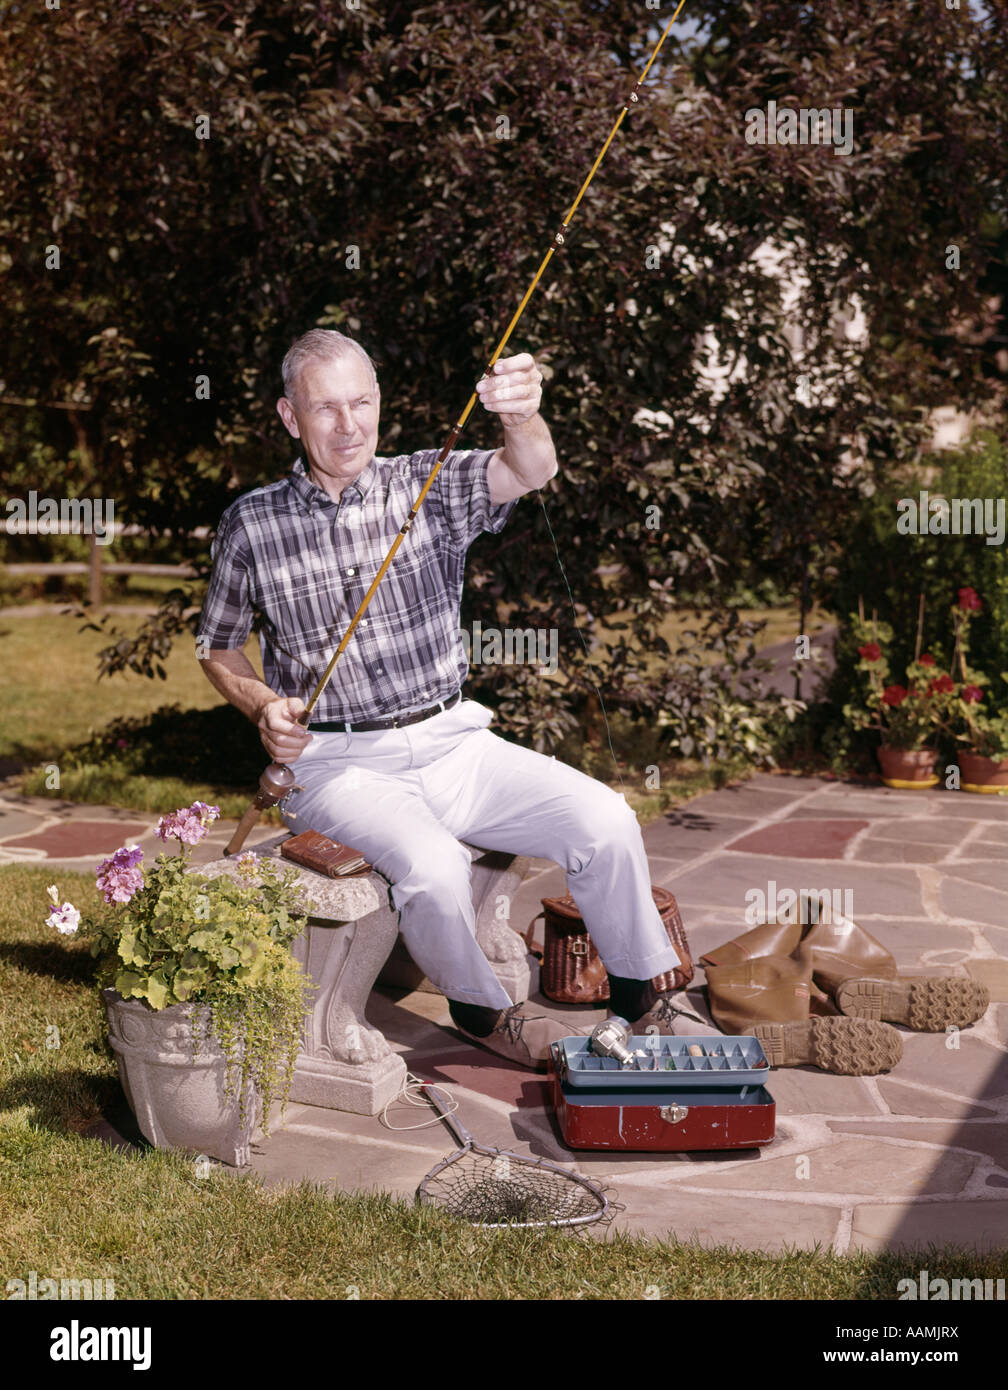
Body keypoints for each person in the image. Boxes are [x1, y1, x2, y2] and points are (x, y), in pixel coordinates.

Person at [197, 328, 689, 1070]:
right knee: (433, 865)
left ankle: (637, 1000)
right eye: (325, 409)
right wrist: (264, 704)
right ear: (289, 418)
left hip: (454, 741)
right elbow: (219, 645)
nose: (348, 425)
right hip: (336, 764)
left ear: (380, 404)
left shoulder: (427, 483)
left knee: (605, 819)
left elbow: (531, 467)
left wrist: (520, 414)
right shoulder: (252, 523)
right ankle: (483, 1010)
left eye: (361, 402)